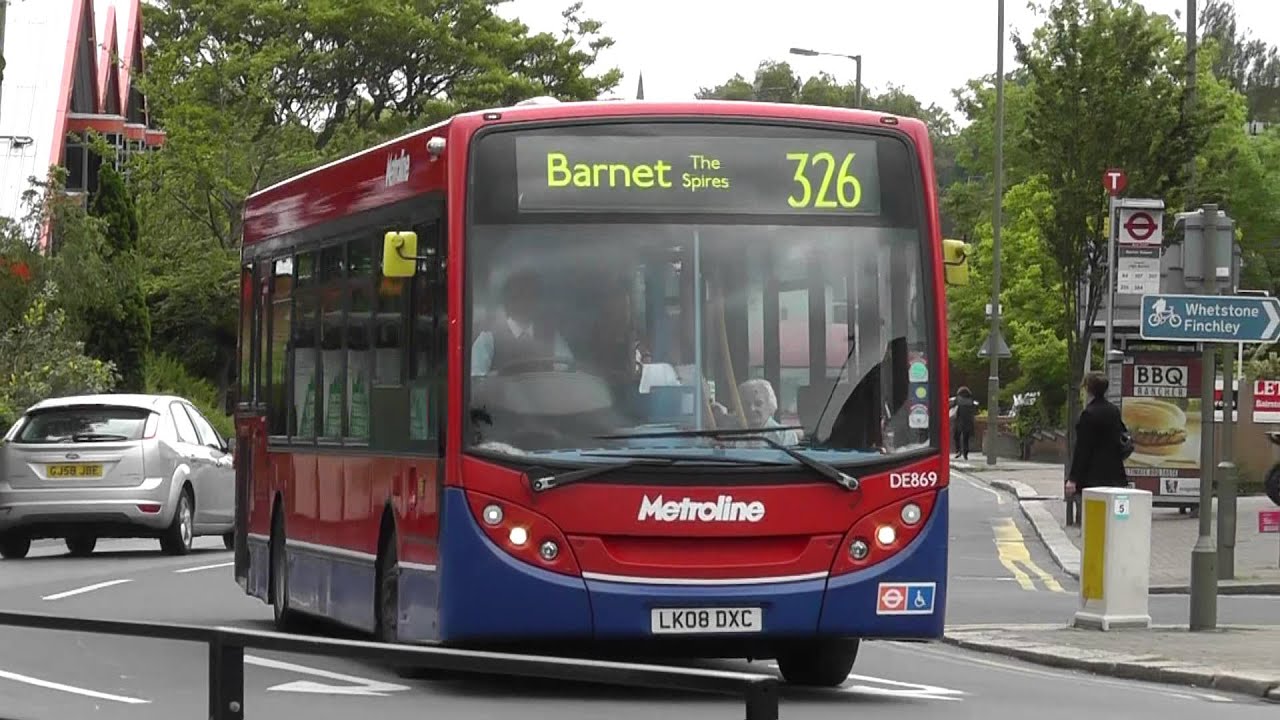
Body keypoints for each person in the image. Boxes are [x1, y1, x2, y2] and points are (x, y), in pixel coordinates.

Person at [470, 270, 572, 376]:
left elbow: (567, 371)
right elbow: (477, 378)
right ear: (507, 301)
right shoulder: (488, 338)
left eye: (531, 296)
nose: (524, 302)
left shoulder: (551, 336)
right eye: (517, 296)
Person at [1066, 372, 1129, 498]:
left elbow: (1082, 449)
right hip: (1115, 475)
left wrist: (1073, 479)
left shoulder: (1088, 415)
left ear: (1088, 389)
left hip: (1093, 477)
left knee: (1092, 514)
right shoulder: (1113, 411)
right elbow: (1121, 436)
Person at [950, 387, 978, 460]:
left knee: (956, 436)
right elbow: (975, 409)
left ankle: (958, 450)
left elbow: (951, 405)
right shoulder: (970, 400)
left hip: (959, 421)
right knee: (966, 438)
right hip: (968, 421)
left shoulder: (957, 399)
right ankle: (965, 453)